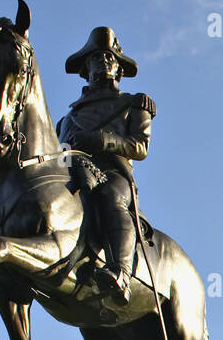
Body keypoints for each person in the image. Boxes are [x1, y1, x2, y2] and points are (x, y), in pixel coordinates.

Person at [57, 27, 154, 304]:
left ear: (119, 69)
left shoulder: (134, 104)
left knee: (111, 195)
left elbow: (140, 147)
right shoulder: (66, 119)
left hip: (112, 173)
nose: (104, 62)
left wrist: (101, 140)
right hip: (74, 173)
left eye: (110, 58)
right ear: (85, 69)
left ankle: (120, 273)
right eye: (96, 58)